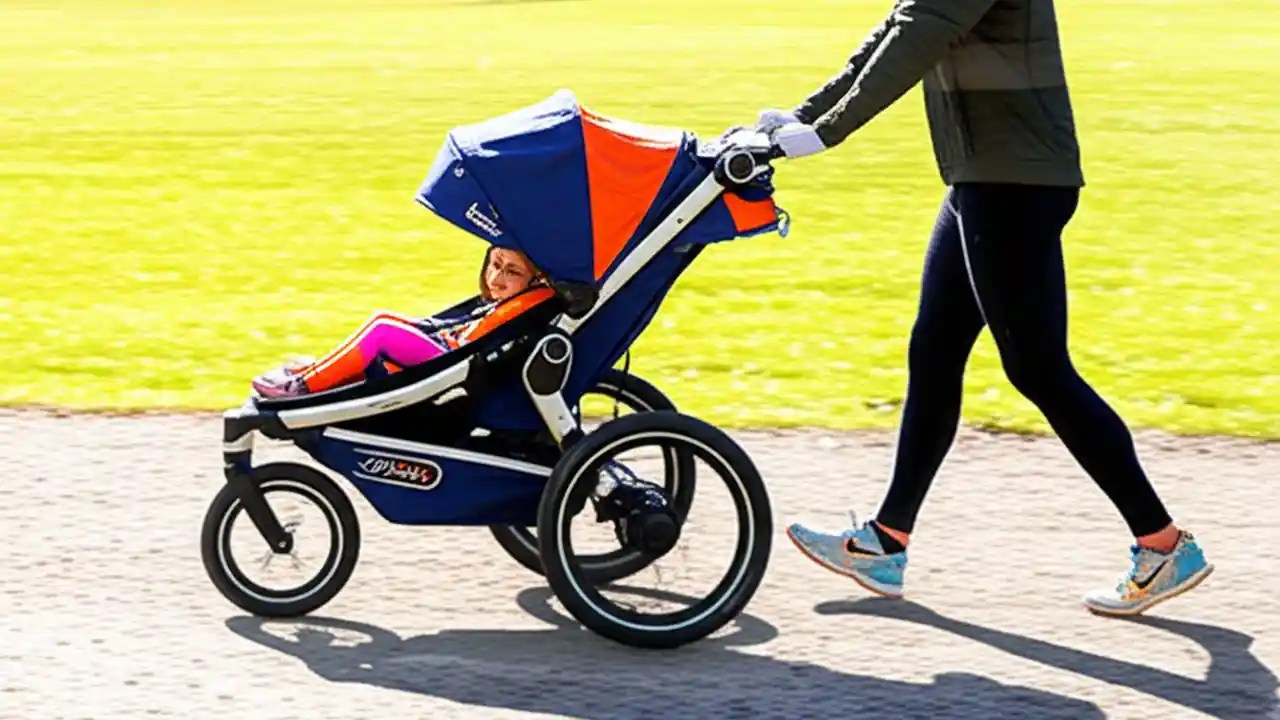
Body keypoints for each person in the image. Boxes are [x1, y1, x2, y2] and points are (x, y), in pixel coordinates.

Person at [751, 0, 1213, 616]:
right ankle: (885, 544)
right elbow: (896, 28)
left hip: (1014, 183)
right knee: (935, 351)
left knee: (1039, 369)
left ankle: (1162, 544)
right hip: (984, 178)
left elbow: (920, 37)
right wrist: (802, 116)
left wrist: (824, 133)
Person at [251, 247, 550, 398]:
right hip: (450, 352)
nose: (496, 279)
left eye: (511, 272)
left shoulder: (530, 303)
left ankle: (304, 386)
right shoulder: (509, 301)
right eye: (495, 265)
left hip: (453, 363)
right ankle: (317, 373)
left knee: (383, 331)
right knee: (385, 320)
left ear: (534, 279)